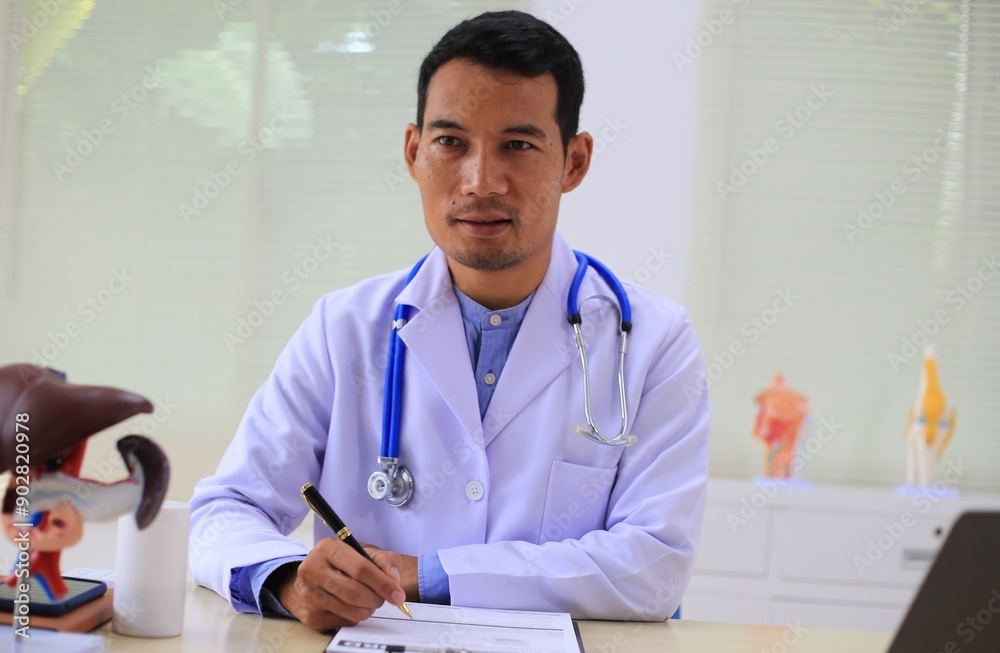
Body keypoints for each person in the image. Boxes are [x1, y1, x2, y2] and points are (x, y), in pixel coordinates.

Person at [189, 10, 709, 632]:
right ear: (414, 152)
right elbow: (227, 507)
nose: (480, 181)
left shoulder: (651, 342)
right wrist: (287, 581)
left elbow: (653, 566)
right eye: (451, 142)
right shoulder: (345, 328)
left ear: (574, 161)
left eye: (517, 145)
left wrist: (425, 572)